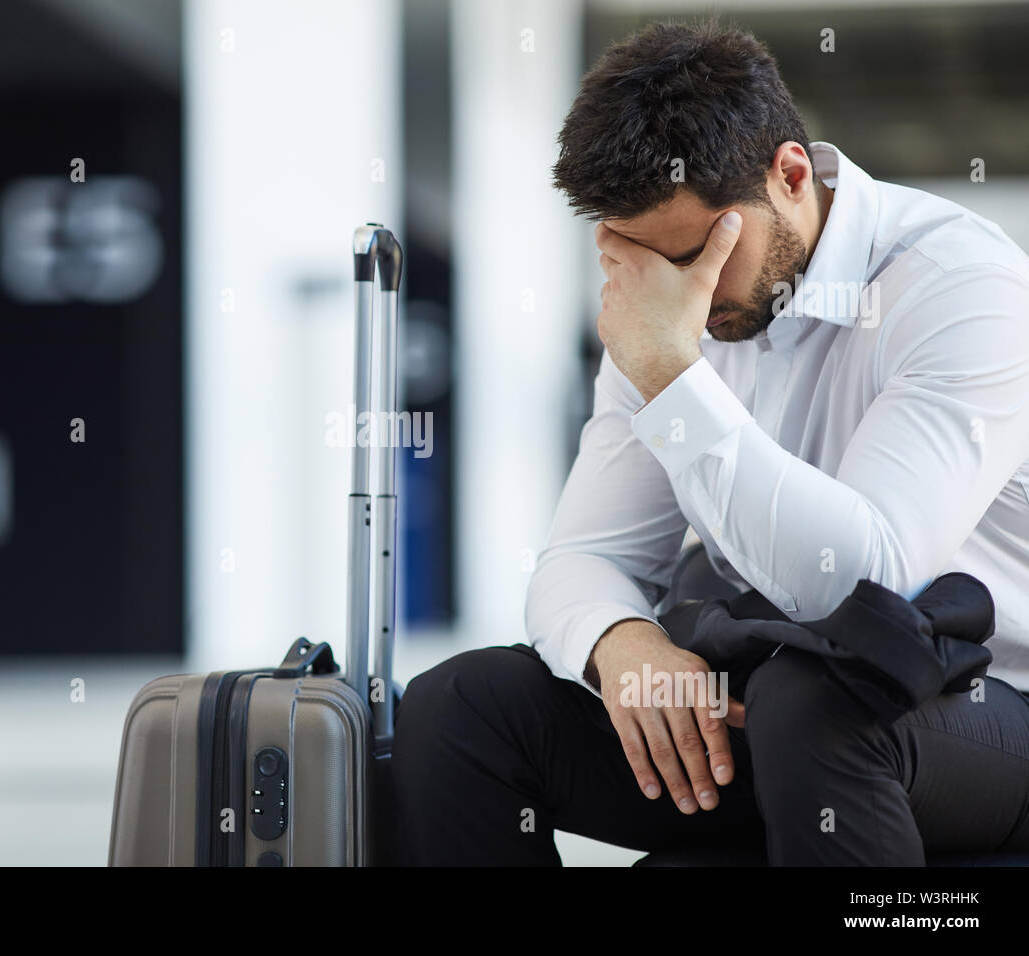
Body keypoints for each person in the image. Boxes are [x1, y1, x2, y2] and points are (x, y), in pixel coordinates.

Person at [391, 18, 1029, 866]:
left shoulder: (959, 289)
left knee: (811, 705)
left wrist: (672, 379)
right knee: (460, 705)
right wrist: (623, 645)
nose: (678, 300)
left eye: (694, 256)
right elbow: (581, 558)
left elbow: (865, 583)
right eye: (643, 265)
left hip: (984, 705)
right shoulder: (667, 311)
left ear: (790, 175)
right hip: (766, 701)